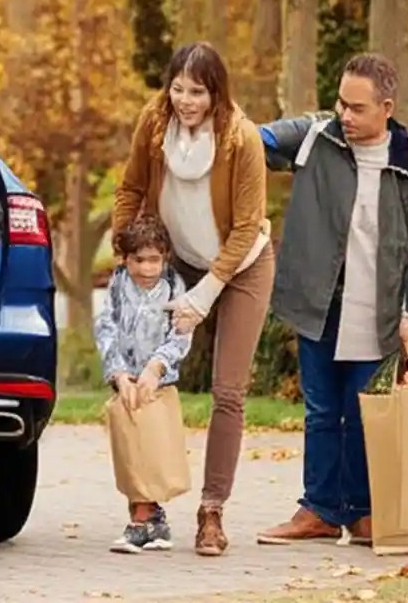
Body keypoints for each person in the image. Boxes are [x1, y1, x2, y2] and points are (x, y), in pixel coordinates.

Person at [256, 53, 408, 546]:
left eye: (357, 108)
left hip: (374, 307)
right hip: (319, 299)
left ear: (386, 108)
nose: (345, 115)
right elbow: (255, 140)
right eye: (340, 102)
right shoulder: (318, 135)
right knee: (319, 409)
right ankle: (318, 509)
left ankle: (360, 511)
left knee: (361, 413)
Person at [113, 42, 274, 556]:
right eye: (178, 88)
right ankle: (148, 508)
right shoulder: (155, 124)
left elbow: (247, 228)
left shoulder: (241, 139)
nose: (185, 99)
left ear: (216, 92)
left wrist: (202, 297)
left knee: (227, 391)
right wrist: (128, 256)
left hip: (243, 268)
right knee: (144, 372)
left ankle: (212, 511)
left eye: (197, 91)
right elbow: (129, 189)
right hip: (177, 260)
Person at [94, 214, 193, 554]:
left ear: (164, 257)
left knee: (150, 451)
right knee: (130, 451)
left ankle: (144, 521)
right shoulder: (119, 285)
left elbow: (181, 335)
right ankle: (152, 522)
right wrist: (119, 373)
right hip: (126, 380)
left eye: (154, 260)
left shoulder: (174, 287)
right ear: (125, 258)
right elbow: (106, 327)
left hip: (158, 383)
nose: (147, 268)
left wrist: (157, 367)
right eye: (139, 260)